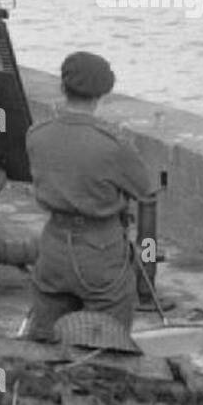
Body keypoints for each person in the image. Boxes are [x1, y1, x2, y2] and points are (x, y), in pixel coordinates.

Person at [23, 51, 167, 340]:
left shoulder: (36, 135)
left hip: (52, 248)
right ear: (103, 93)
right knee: (107, 346)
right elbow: (144, 189)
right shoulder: (113, 146)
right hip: (99, 251)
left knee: (43, 343)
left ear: (63, 88)